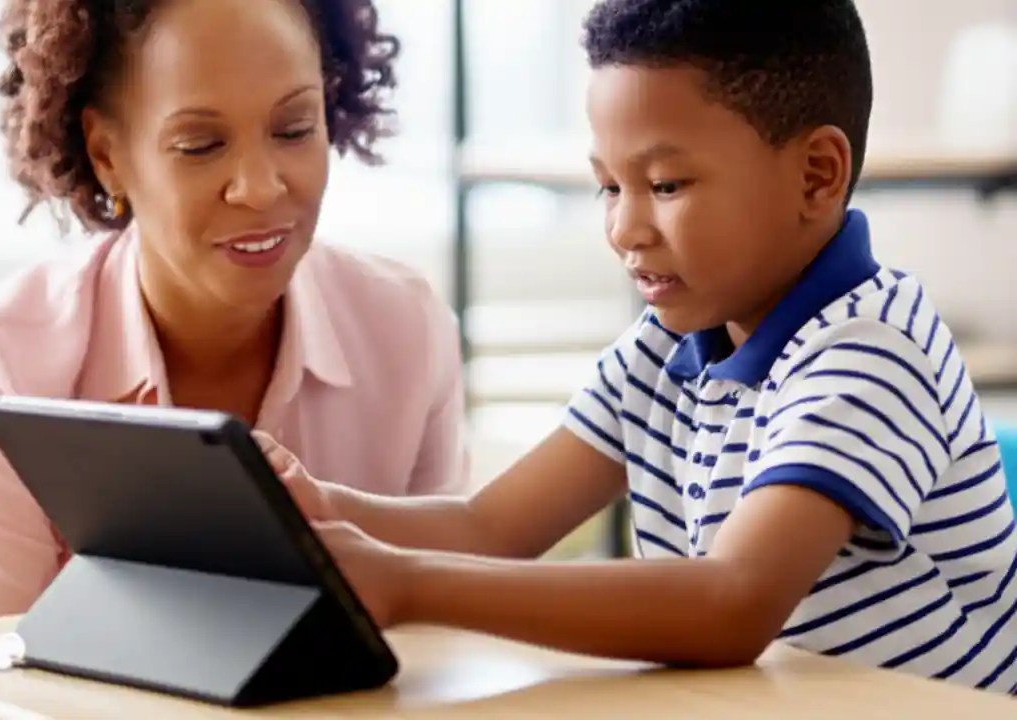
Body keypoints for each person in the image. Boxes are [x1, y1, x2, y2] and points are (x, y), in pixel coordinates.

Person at [259, 0, 1017, 693]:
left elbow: (734, 600)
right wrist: (320, 509)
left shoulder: (873, 350)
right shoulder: (665, 348)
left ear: (817, 176)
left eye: (666, 185)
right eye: (610, 187)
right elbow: (490, 529)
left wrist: (408, 583)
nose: (625, 229)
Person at [0, 0, 468, 623]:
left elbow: (441, 638)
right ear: (106, 155)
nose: (259, 187)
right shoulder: (7, 359)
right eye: (200, 145)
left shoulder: (407, 330)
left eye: (294, 129)